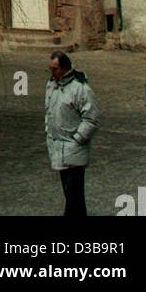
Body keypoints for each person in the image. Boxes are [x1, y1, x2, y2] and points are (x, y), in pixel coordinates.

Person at [45, 50, 100, 217]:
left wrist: (78, 139)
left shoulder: (80, 89)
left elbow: (92, 119)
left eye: (55, 69)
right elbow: (49, 113)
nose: (52, 73)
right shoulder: (52, 86)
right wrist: (49, 133)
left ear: (65, 68)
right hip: (58, 146)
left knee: (73, 195)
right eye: (50, 69)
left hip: (73, 148)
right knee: (71, 194)